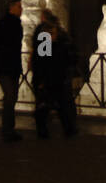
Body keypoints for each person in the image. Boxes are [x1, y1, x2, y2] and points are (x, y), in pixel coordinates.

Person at [29, 10, 78, 139]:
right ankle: (46, 130)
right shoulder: (46, 41)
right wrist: (41, 80)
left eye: (54, 32)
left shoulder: (59, 41)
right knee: (47, 105)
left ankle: (67, 129)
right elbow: (41, 61)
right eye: (51, 33)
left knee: (59, 105)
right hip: (49, 78)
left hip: (56, 77)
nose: (53, 35)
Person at [0, 0, 25, 142]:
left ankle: (9, 129)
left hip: (11, 66)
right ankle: (7, 130)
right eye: (19, 7)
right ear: (11, 8)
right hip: (4, 66)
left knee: (12, 96)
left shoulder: (15, 24)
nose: (22, 9)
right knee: (10, 96)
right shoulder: (3, 25)